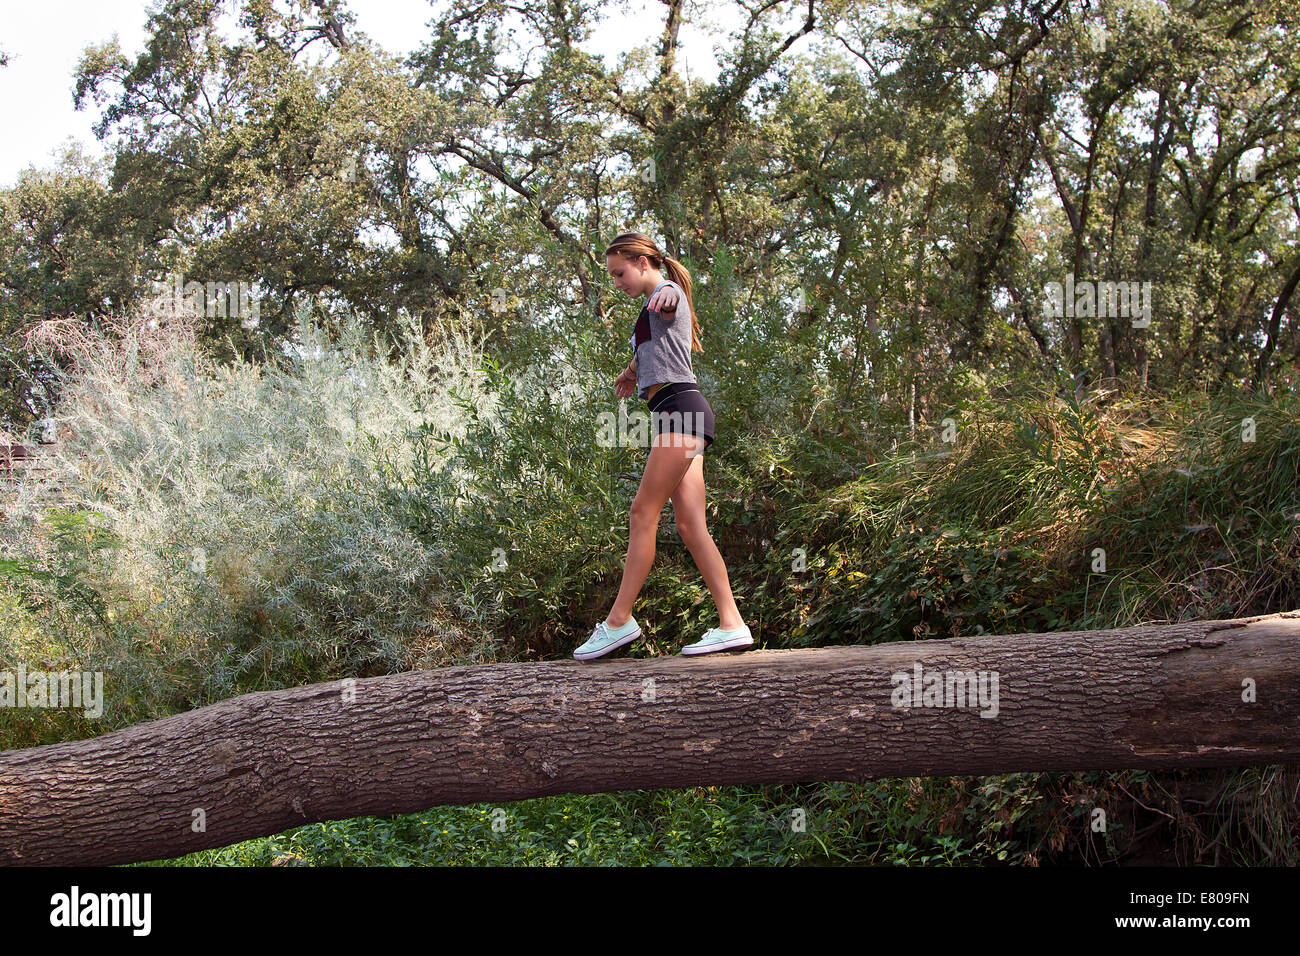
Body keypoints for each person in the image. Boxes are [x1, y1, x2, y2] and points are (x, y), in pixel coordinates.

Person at [573, 231, 752, 661]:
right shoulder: (649, 309)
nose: (617, 282)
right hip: (680, 413)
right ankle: (732, 624)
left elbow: (669, 295)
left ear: (640, 261)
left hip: (680, 412)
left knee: (641, 511)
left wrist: (667, 293)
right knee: (691, 528)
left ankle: (618, 622)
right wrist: (632, 370)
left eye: (619, 273)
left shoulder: (666, 291)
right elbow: (658, 346)